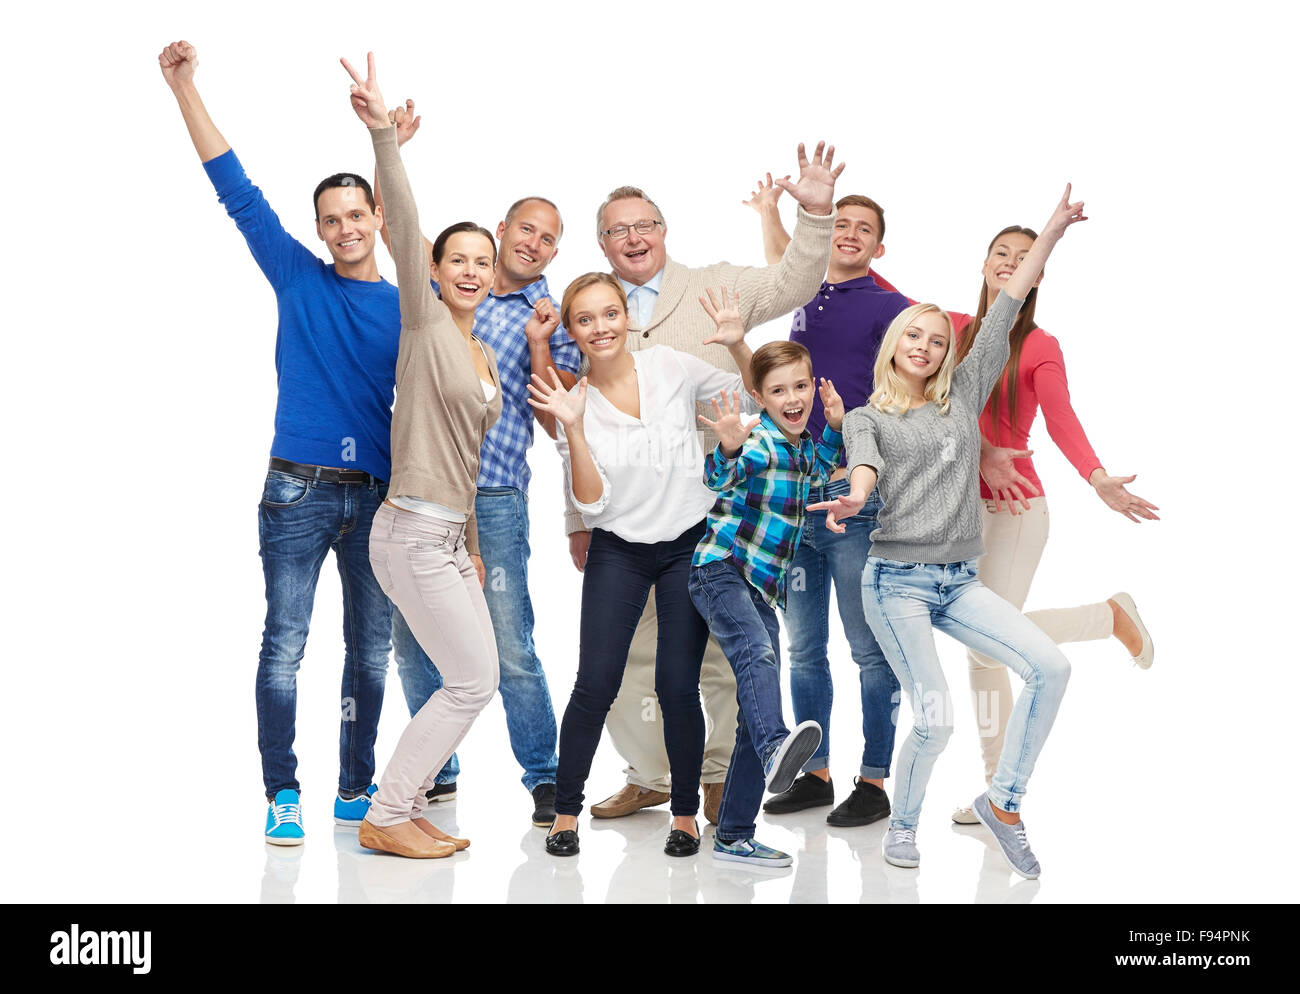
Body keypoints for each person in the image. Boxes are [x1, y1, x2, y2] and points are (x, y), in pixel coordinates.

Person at [160, 40, 399, 845]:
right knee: (285, 646)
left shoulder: (410, 307)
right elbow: (235, 187)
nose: (343, 230)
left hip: (375, 499)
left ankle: (355, 788)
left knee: (370, 654)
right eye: (329, 220)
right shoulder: (299, 277)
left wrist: (387, 145)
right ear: (319, 229)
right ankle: (281, 792)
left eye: (356, 216)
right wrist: (183, 86)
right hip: (296, 490)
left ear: (377, 221)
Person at [816, 184, 1086, 879]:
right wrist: (854, 498)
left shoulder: (963, 395)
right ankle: (902, 826)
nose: (927, 346)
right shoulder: (868, 419)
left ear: (949, 353)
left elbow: (1004, 308)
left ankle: (1003, 803)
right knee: (935, 721)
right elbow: (866, 468)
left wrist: (1051, 231)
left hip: (958, 582)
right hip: (897, 584)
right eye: (915, 335)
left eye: (939, 341)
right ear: (894, 343)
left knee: (1050, 669)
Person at [571, 144, 843, 824]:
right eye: (617, 230)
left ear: (664, 231)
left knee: (719, 650)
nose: (633, 238)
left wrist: (812, 214)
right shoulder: (593, 310)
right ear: (602, 243)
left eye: (645, 225)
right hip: (625, 521)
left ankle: (718, 773)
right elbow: (569, 426)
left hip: (718, 512)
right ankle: (652, 774)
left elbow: (794, 284)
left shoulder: (714, 287)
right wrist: (575, 521)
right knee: (632, 655)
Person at [371, 101, 580, 828]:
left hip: (489, 502)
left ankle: (546, 776)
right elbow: (394, 226)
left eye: (550, 239)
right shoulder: (434, 301)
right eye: (527, 229)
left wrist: (542, 344)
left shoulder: (546, 318)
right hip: (421, 505)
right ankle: (434, 772)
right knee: (417, 648)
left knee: (508, 645)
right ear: (498, 233)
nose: (537, 244)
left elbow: (561, 419)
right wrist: (385, 142)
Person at [528, 275, 758, 858]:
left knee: (677, 685)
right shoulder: (575, 399)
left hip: (688, 541)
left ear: (627, 316)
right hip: (619, 549)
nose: (601, 327)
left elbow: (755, 397)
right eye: (586, 319)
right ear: (574, 333)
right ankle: (565, 815)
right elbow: (591, 502)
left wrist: (736, 344)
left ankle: (684, 815)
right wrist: (575, 429)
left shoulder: (670, 366)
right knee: (596, 683)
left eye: (610, 314)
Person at [938, 224, 1158, 823]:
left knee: (984, 642)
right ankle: (1106, 617)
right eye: (1000, 253)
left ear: (1039, 274)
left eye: (1024, 257)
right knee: (978, 641)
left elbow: (1061, 417)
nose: (1010, 263)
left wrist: (1096, 475)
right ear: (984, 265)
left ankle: (997, 791)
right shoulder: (949, 328)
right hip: (954, 510)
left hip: (1012, 508)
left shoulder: (1039, 345)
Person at [342, 52, 501, 859]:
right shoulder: (426, 326)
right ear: (434, 273)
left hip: (446, 538)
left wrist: (472, 548)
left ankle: (398, 806)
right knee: (472, 681)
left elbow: (466, 463)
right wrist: (383, 139)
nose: (470, 271)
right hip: (407, 531)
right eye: (457, 260)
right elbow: (401, 223)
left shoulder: (482, 358)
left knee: (478, 679)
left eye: (484, 262)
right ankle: (388, 812)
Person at [743, 180, 906, 827]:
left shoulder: (890, 306)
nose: (848, 234)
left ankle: (874, 780)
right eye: (841, 224)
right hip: (793, 497)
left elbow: (923, 376)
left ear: (879, 244)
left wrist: (865, 452)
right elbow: (794, 261)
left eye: (863, 228)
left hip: (851, 499)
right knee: (806, 649)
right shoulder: (814, 287)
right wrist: (770, 214)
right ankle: (815, 775)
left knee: (868, 648)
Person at [689, 329, 847, 868]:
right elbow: (719, 478)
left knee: (753, 708)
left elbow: (821, 471)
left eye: (800, 385)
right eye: (778, 391)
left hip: (759, 587)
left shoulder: (801, 446)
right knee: (758, 658)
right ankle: (776, 744)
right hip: (722, 569)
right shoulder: (757, 441)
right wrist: (728, 444)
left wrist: (836, 426)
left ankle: (734, 835)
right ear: (760, 399)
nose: (793, 398)